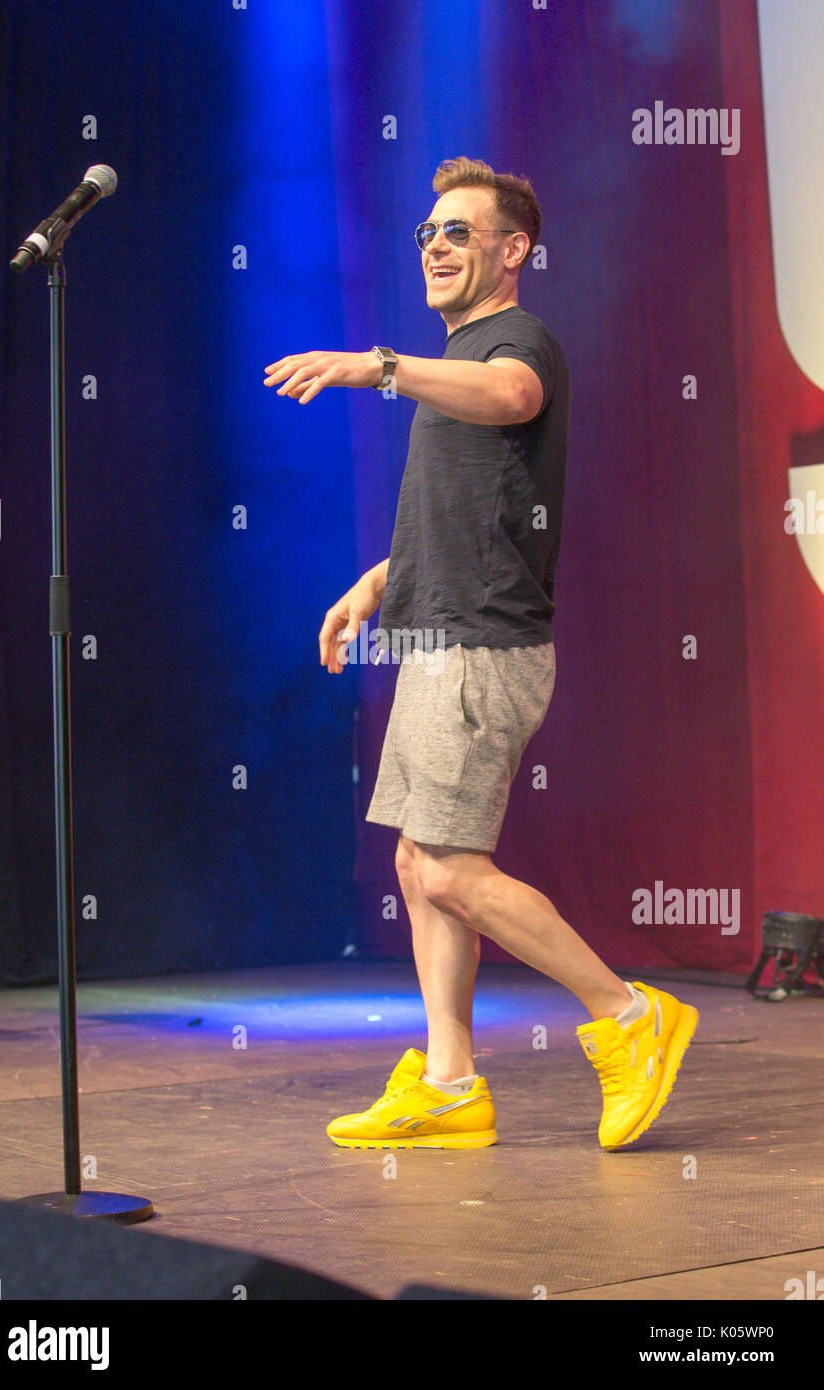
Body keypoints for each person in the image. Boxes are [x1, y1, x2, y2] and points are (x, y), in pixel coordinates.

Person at [263, 156, 698, 1151]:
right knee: (420, 866)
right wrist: (370, 588)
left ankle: (631, 1017)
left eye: (456, 230)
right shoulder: (452, 365)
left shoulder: (513, 342)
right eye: (426, 233)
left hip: (476, 649)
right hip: (432, 637)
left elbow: (510, 395)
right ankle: (450, 1082)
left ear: (511, 251)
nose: (434, 246)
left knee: (452, 870)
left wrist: (373, 365)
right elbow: (455, 517)